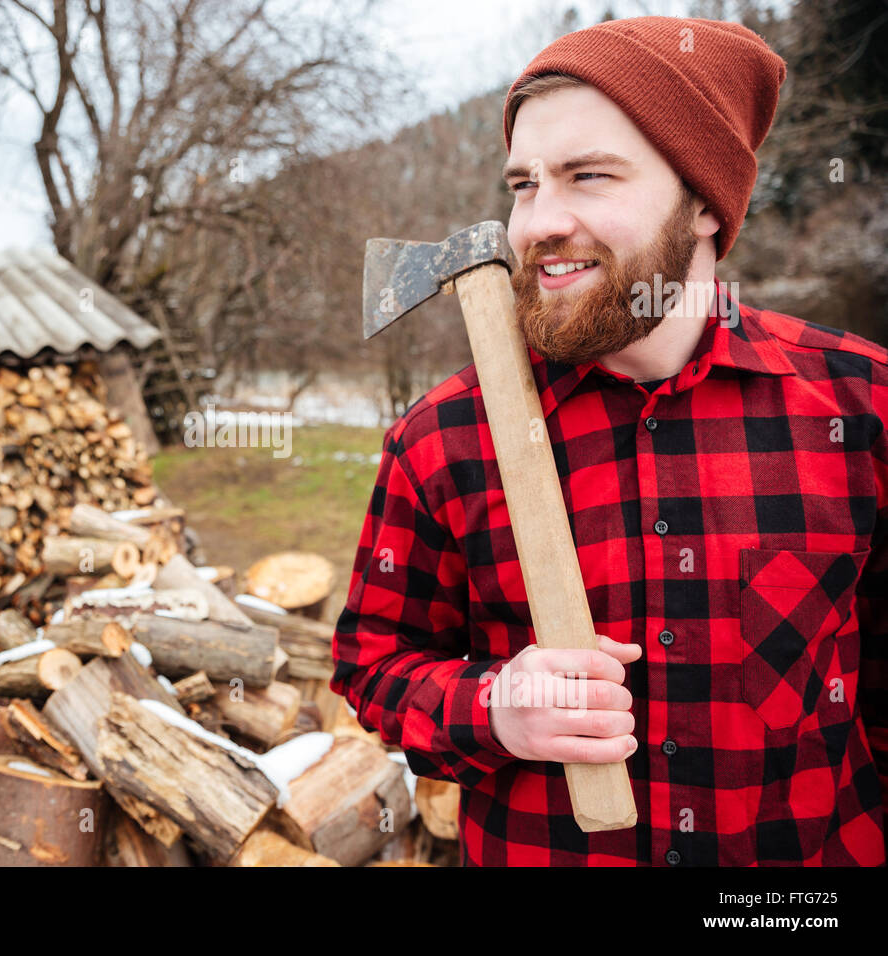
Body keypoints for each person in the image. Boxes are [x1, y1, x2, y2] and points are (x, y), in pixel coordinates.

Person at [331, 15, 888, 866]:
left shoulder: (862, 407)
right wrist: (493, 709)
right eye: (523, 184)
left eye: (588, 176)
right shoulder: (443, 438)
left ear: (704, 201)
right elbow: (373, 667)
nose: (537, 223)